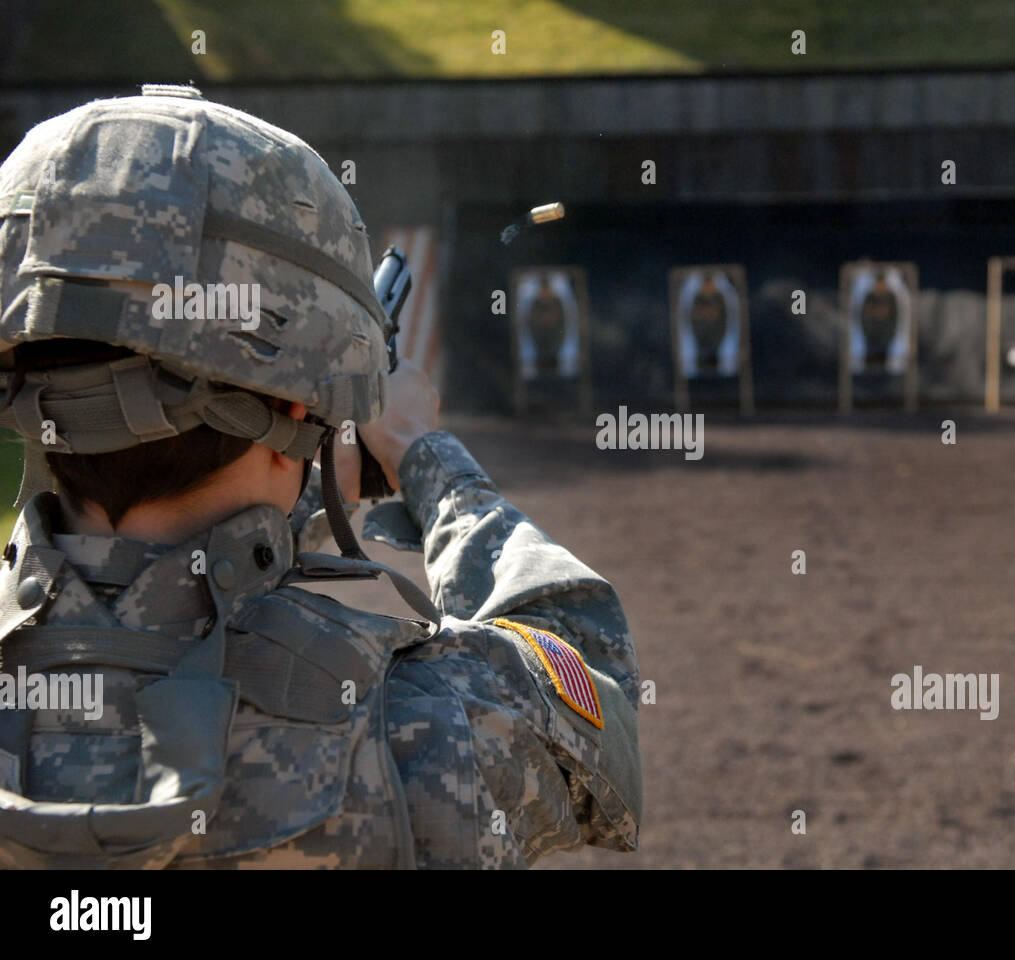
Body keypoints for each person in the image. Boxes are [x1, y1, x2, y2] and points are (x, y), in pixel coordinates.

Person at [0, 85, 641, 868]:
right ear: (295, 406)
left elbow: (161, 507)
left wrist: (295, 462)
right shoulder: (436, 722)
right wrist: (421, 454)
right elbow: (591, 675)